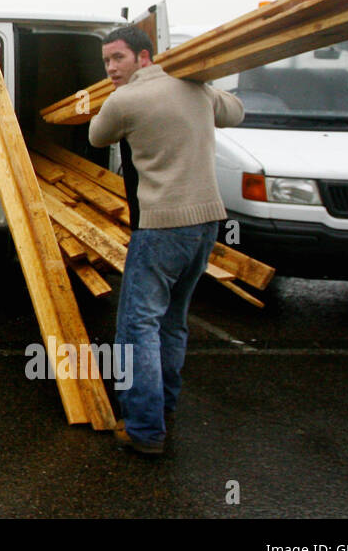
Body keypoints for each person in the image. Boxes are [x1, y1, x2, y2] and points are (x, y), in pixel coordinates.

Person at [88, 25, 243, 455]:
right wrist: (200, 80)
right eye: (106, 61)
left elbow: (96, 136)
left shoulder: (124, 100)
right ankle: (164, 406)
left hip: (160, 227)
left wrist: (111, 97)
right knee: (173, 320)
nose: (111, 68)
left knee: (138, 327)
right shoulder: (194, 88)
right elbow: (237, 112)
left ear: (144, 57)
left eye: (118, 58)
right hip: (205, 223)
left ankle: (143, 429)